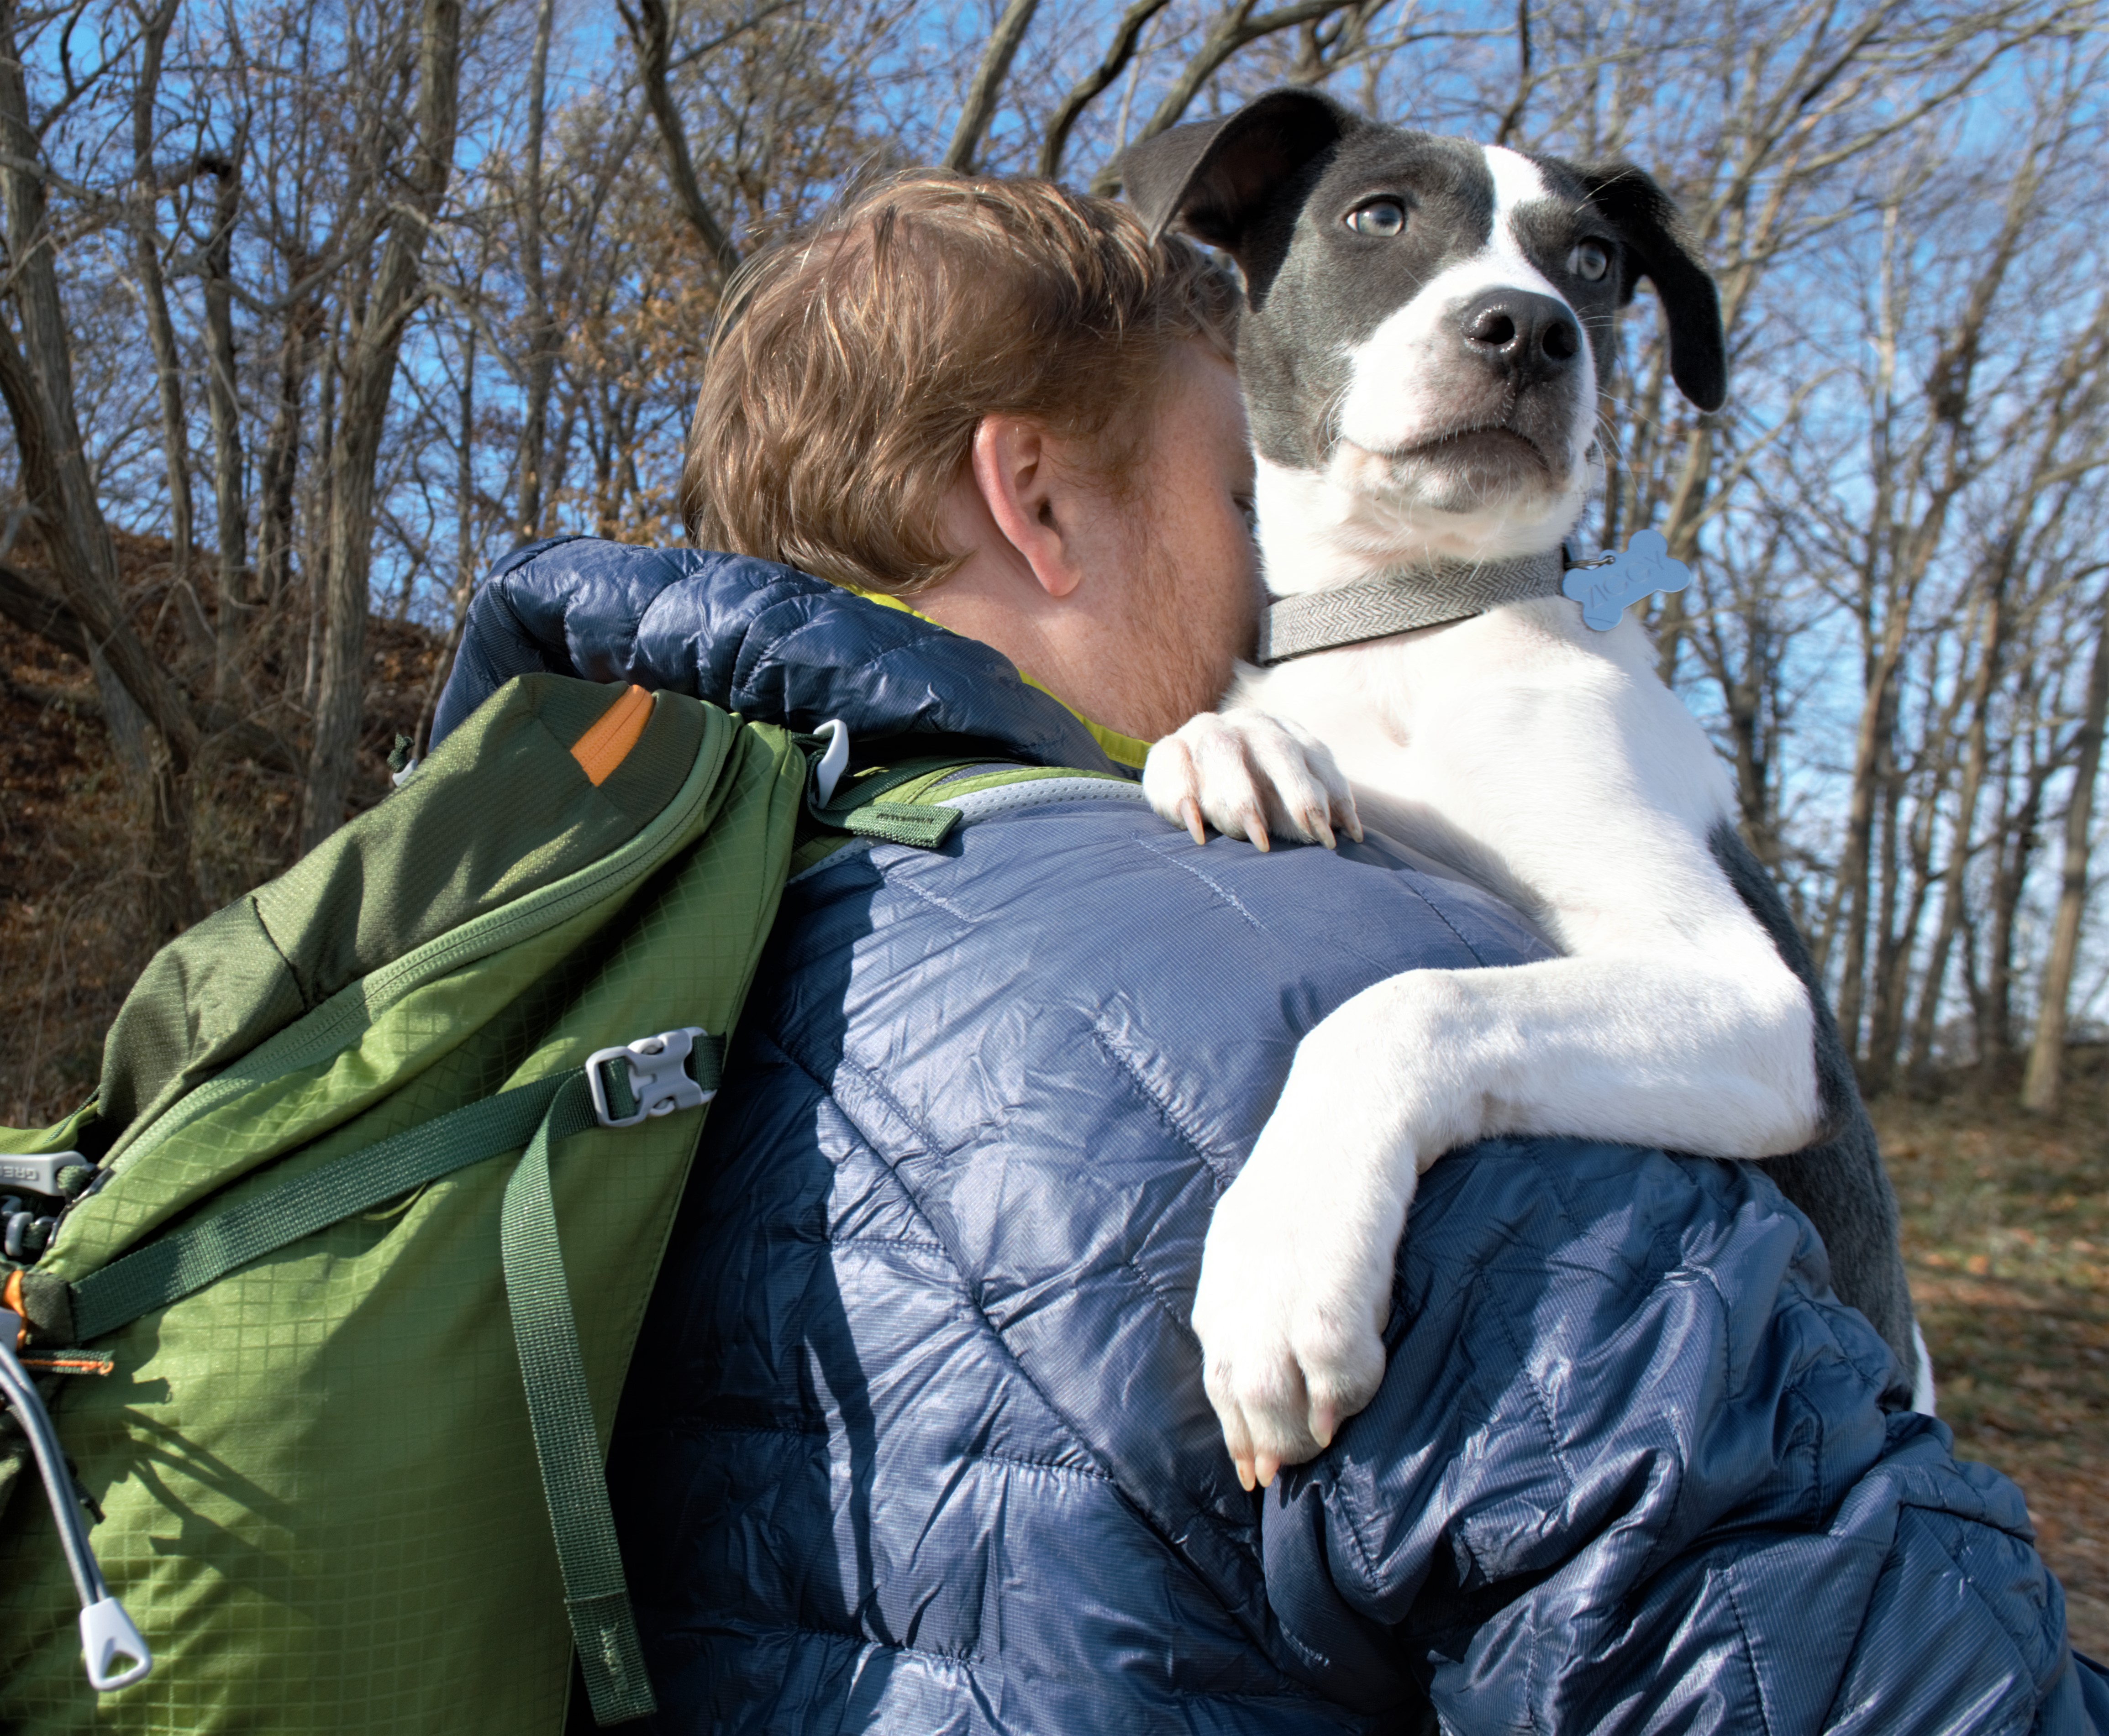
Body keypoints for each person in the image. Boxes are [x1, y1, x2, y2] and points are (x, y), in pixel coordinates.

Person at [434, 173, 2105, 1734]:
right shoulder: (1313, 988)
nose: (1271, 562)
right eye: (1239, 489)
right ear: (1033, 500)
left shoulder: (630, 949)